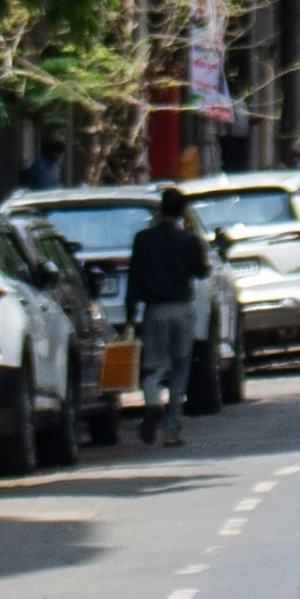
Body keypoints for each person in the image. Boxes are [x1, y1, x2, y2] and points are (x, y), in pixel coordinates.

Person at [122, 185, 211, 445]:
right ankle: (172, 431)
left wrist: (130, 314)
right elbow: (202, 271)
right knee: (180, 368)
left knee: (154, 366)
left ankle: (152, 404)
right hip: (182, 308)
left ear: (160, 210)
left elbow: (134, 277)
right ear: (183, 212)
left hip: (155, 310)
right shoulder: (188, 240)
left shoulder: (143, 239)